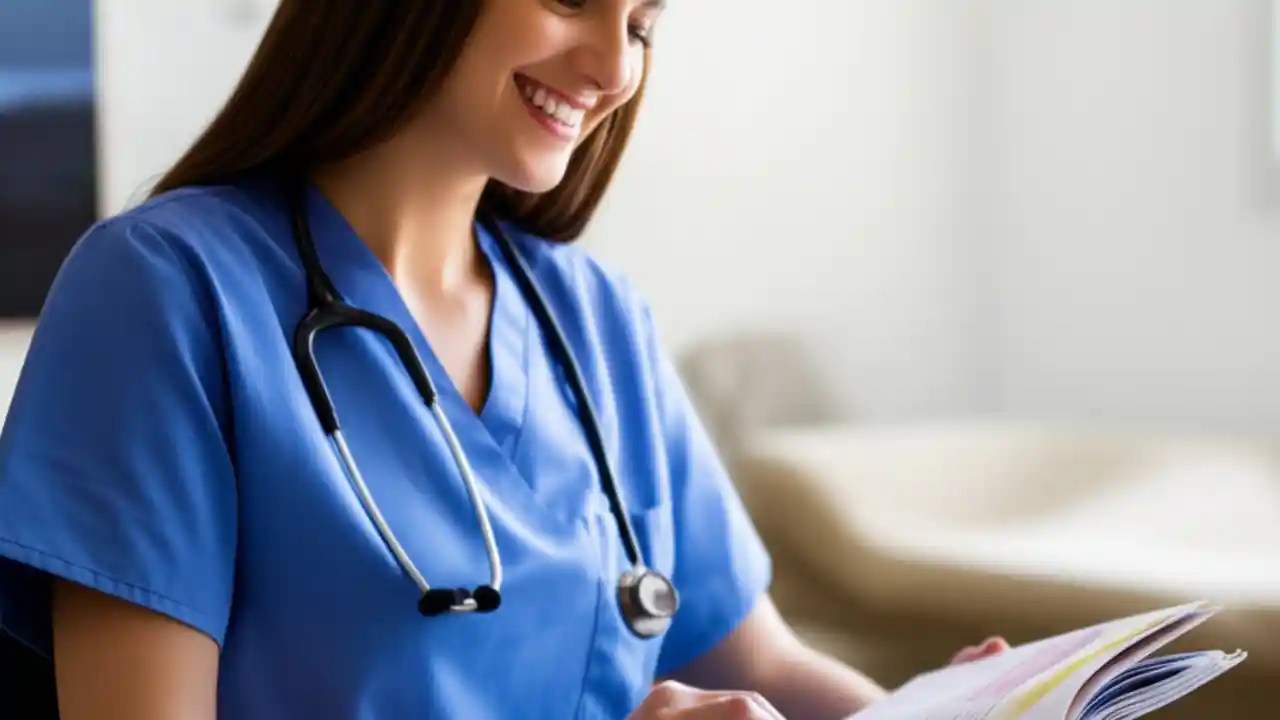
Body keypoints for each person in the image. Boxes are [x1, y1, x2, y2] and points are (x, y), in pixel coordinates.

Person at [0, 2, 1007, 718]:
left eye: (645, 25)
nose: (614, 67)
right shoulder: (165, 291)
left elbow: (764, 665)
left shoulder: (597, 320)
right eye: (572, 0)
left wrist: (949, 709)